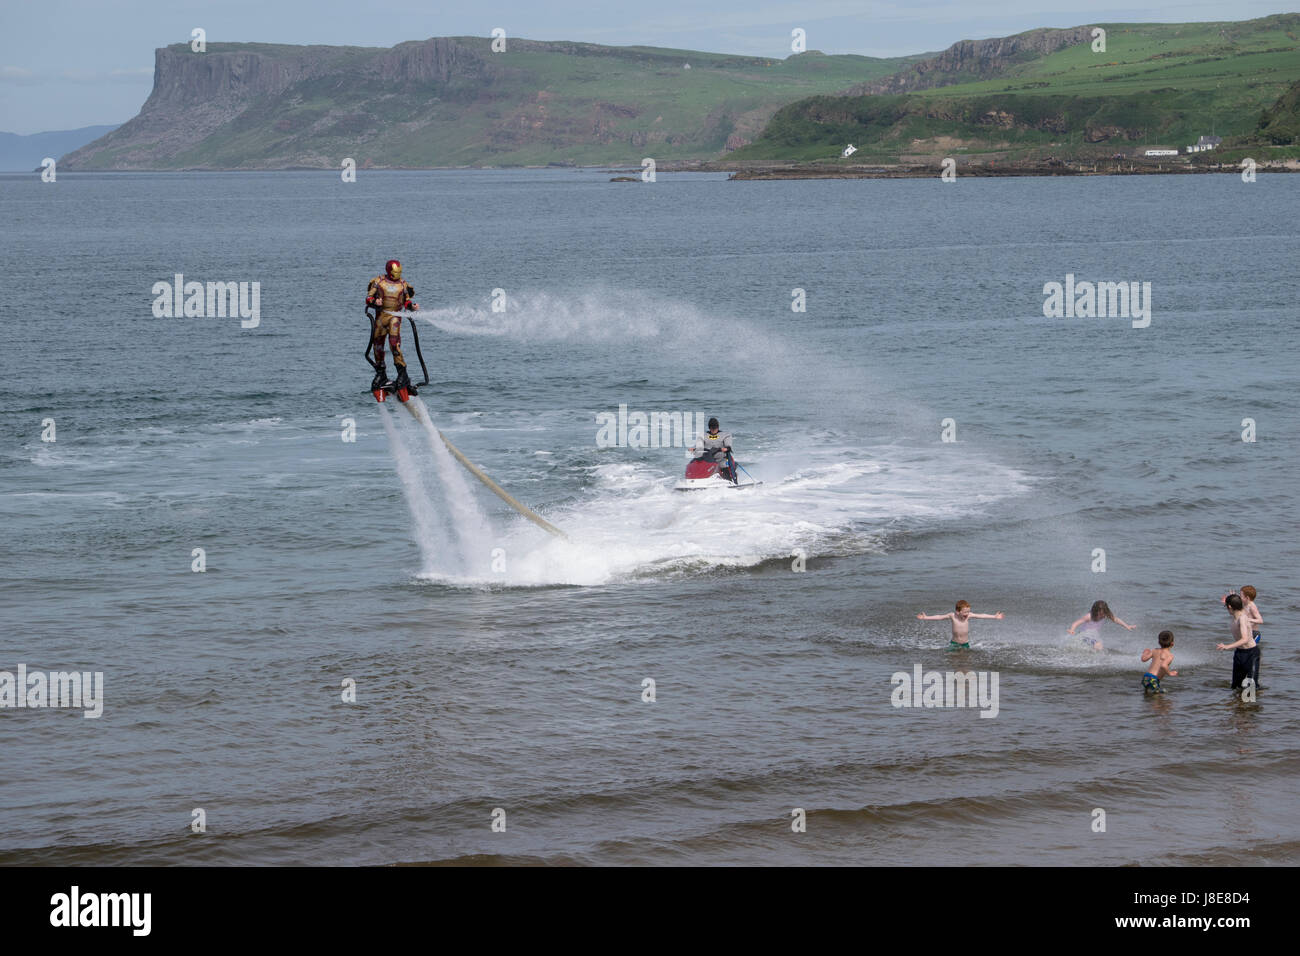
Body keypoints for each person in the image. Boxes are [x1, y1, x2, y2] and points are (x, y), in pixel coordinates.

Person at [366, 259, 419, 392]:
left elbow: (406, 301)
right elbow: (368, 299)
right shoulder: (378, 282)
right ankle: (381, 374)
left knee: (394, 344)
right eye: (395, 272)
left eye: (399, 272)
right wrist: (374, 302)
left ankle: (402, 374)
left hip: (395, 317)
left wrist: (412, 306)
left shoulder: (403, 284)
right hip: (381, 318)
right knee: (377, 345)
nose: (398, 274)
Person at [917, 600, 1005, 651]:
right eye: (965, 612)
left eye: (968, 611)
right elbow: (939, 617)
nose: (967, 613)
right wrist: (926, 617)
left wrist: (994, 616)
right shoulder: (952, 616)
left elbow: (982, 615)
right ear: (958, 612)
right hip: (954, 643)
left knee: (965, 659)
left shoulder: (969, 616)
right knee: (952, 659)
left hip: (965, 644)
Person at [1216, 593, 1259, 691]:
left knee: (1251, 687)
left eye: (1226, 607)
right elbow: (1241, 605)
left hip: (1251, 653)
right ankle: (1237, 704)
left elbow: (1245, 639)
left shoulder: (1242, 618)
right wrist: (1231, 599)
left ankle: (1252, 704)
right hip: (1239, 653)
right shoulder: (1236, 614)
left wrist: (1227, 646)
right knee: (1236, 686)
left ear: (1230, 607)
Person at [1067, 600, 1136, 651]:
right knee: (1098, 646)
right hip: (1084, 635)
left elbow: (1116, 619)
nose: (1102, 615)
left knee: (1099, 647)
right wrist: (1072, 630)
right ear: (1095, 611)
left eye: (1104, 613)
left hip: (1094, 635)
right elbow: (1076, 623)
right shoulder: (1089, 616)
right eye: (1100, 613)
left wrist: (1127, 626)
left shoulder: (1105, 614)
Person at [690, 418, 736, 483]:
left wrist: (727, 448)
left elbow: (728, 444)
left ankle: (731, 482)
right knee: (695, 465)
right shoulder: (703, 435)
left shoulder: (725, 435)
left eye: (715, 428)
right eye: (712, 428)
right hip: (708, 459)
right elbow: (699, 444)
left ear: (718, 427)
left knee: (723, 465)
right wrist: (694, 448)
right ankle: (692, 482)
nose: (714, 430)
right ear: (709, 428)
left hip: (721, 458)